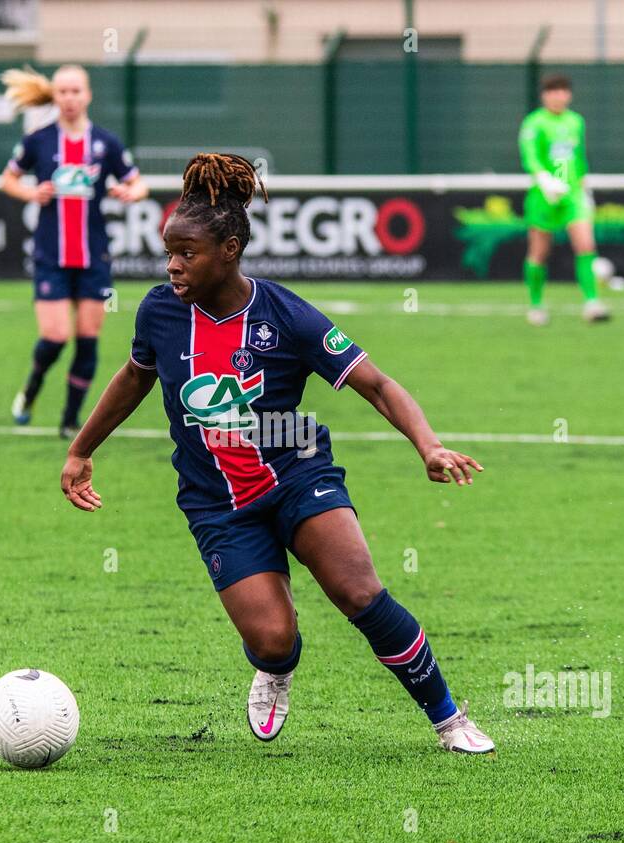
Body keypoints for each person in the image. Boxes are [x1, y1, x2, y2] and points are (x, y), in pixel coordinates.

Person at [59, 153, 495, 754]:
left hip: (296, 470)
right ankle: (277, 667)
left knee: (359, 593)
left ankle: (449, 720)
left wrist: (429, 445)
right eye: (169, 252)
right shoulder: (160, 310)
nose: (173, 265)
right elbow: (135, 376)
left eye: (187, 253)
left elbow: (378, 384)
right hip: (215, 500)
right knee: (271, 639)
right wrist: (82, 451)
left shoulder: (284, 314)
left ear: (230, 249)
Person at [0, 64, 149, 437]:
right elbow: (9, 179)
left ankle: (70, 420)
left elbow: (137, 182)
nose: (69, 98)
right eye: (63, 91)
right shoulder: (39, 140)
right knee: (54, 336)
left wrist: (131, 193)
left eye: (75, 91)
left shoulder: (105, 143)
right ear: (55, 95)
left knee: (87, 339)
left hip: (93, 257)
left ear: (88, 95)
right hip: (51, 256)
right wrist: (32, 193)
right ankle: (32, 387)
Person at [519, 73, 609, 326]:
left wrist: (584, 187)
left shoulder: (575, 122)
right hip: (543, 196)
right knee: (539, 252)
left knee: (586, 245)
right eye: (552, 92)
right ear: (544, 95)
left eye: (562, 91)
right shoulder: (534, 123)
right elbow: (530, 156)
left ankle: (592, 303)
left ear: (568, 95)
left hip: (572, 196)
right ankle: (536, 306)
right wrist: (544, 179)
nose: (558, 97)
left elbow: (578, 158)